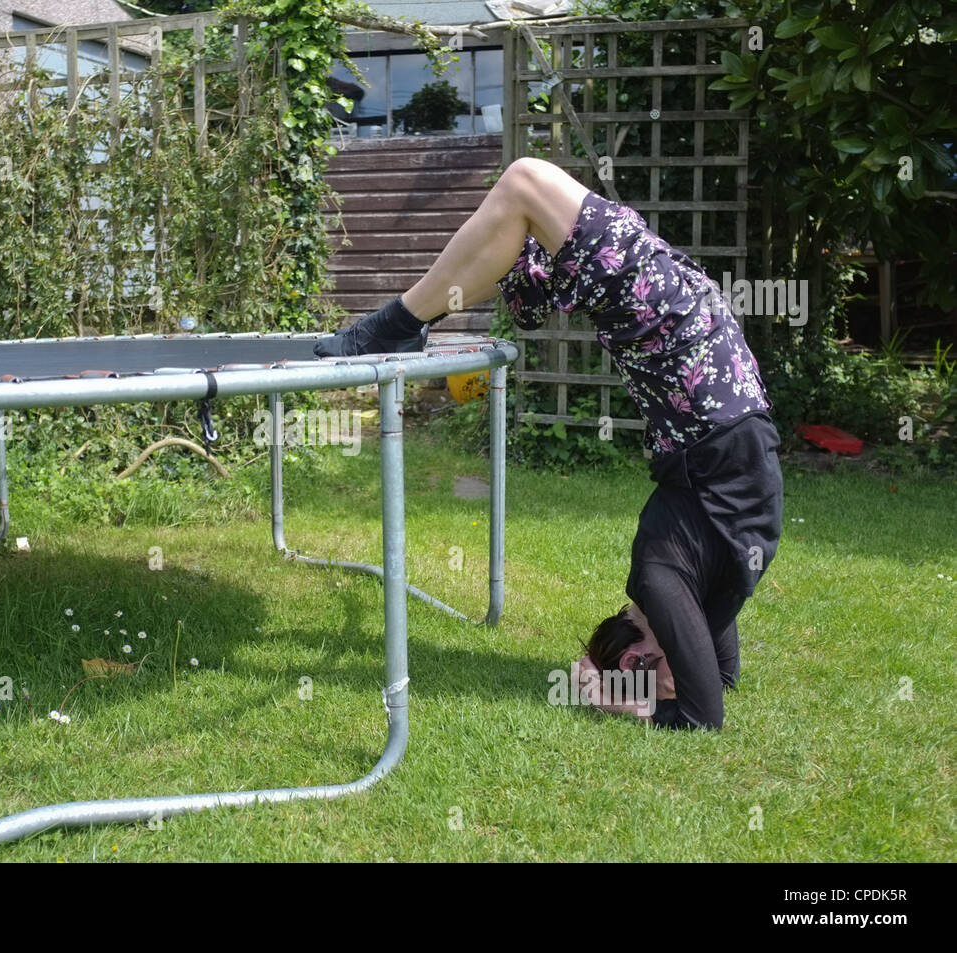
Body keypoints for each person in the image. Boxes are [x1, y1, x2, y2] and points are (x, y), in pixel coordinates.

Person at [314, 157, 783, 730]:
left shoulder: (671, 577)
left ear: (643, 656)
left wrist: (615, 693)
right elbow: (710, 697)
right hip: (693, 354)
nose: (691, 663)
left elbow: (703, 701)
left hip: (705, 368)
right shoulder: (678, 592)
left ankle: (439, 308)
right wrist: (636, 687)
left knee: (524, 189)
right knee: (523, 184)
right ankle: (414, 316)